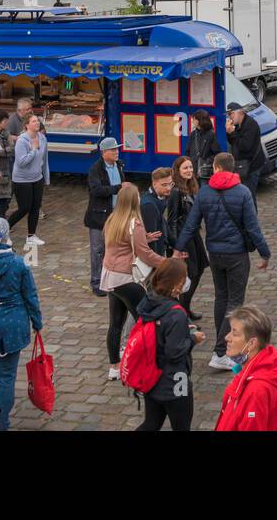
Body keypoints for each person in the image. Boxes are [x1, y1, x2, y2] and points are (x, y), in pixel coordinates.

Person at [172, 152, 271, 371]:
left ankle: (222, 350)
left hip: (215, 253)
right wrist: (264, 253)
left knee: (221, 298)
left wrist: (178, 248)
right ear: (232, 168)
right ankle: (222, 351)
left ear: (216, 168)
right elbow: (253, 227)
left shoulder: (204, 193)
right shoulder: (243, 192)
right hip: (237, 255)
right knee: (235, 302)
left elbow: (191, 224)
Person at [101, 183, 166, 381]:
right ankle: (145, 361)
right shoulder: (134, 222)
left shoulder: (113, 220)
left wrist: (143, 238)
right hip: (126, 277)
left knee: (115, 324)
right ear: (134, 200)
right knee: (146, 321)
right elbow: (144, 253)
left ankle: (114, 366)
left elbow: (121, 243)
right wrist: (166, 262)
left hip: (111, 277)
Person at [0, 217, 42, 429]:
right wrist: (37, 322)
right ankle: (1, 421)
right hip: (13, 324)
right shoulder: (18, 263)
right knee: (6, 377)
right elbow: (30, 295)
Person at [135, 259, 202, 432]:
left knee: (151, 424)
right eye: (184, 278)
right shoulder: (176, 314)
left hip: (152, 378)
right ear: (177, 284)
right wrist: (193, 339)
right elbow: (175, 352)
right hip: (176, 382)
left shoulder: (149, 302)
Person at [214, 306, 277, 431]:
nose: (227, 338)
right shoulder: (247, 368)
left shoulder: (256, 391)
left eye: (234, 333)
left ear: (251, 344)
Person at [165, 155, 208, 320]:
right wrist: (177, 246)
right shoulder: (176, 191)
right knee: (188, 275)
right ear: (178, 171)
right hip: (184, 240)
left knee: (197, 272)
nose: (189, 170)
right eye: (185, 168)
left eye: (190, 167)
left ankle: (186, 308)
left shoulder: (192, 187)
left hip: (194, 236)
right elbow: (172, 221)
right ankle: (182, 313)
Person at [84, 138, 124, 296]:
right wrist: (117, 189)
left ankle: (110, 278)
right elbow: (96, 190)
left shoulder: (119, 165)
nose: (117, 152)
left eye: (117, 149)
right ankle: (96, 282)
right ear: (104, 152)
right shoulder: (95, 169)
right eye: (113, 150)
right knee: (97, 250)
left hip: (116, 214)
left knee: (113, 248)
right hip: (99, 217)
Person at [9, 113, 49, 245]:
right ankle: (4, 230)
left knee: (35, 207)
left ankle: (31, 235)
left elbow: (44, 159)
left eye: (37, 121)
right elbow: (21, 162)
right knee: (24, 207)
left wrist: (46, 177)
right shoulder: (22, 140)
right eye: (33, 121)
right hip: (22, 180)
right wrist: (33, 149)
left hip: (37, 178)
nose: (37, 123)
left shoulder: (42, 138)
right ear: (27, 125)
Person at [225, 102, 265, 199]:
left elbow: (245, 146)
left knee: (249, 197)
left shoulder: (250, 125)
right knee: (242, 197)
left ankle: (252, 214)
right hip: (242, 166)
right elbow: (233, 142)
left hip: (251, 167)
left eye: (231, 114)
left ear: (240, 113)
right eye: (229, 115)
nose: (230, 117)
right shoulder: (238, 124)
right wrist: (229, 133)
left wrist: (233, 132)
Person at [140, 167, 174, 257]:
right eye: (164, 185)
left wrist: (176, 245)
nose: (169, 188)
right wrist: (158, 263)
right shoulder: (149, 206)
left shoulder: (160, 197)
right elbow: (152, 238)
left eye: (171, 184)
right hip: (155, 258)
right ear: (154, 184)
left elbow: (163, 223)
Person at [187, 109, 219, 177]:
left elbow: (217, 154)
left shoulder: (211, 134)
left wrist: (205, 161)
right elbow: (188, 151)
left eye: (194, 119)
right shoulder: (193, 134)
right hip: (192, 171)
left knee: (204, 187)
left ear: (200, 120)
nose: (192, 121)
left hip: (204, 171)